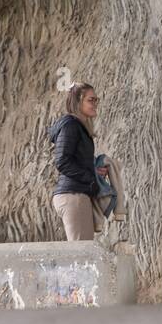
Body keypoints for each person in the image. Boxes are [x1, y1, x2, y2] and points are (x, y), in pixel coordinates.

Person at [48, 83, 110, 241]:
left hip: (75, 195)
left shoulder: (78, 127)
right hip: (73, 197)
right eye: (91, 100)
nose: (95, 103)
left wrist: (94, 171)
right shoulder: (70, 125)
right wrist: (91, 177)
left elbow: (74, 160)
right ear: (78, 101)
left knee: (82, 254)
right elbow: (62, 161)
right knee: (81, 257)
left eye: (97, 100)